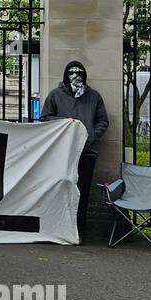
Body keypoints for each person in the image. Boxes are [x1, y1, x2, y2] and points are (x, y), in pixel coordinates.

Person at [40, 60, 109, 235]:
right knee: (60, 187)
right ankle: (57, 226)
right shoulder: (55, 95)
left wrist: (92, 135)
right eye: (71, 72)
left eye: (79, 73)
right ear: (66, 74)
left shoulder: (94, 96)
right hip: (61, 152)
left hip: (86, 152)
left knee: (83, 190)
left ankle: (79, 227)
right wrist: (63, 123)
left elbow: (103, 120)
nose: (75, 76)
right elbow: (45, 117)